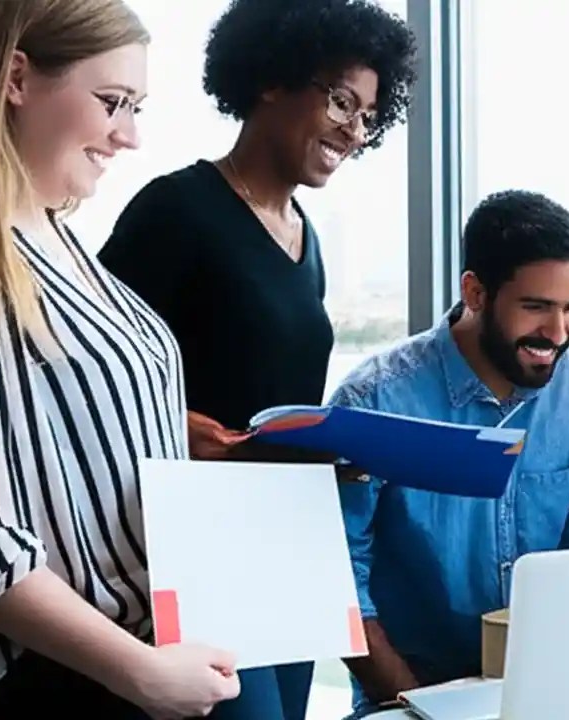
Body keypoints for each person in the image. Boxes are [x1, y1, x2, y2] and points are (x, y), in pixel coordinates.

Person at [0, 1, 242, 718]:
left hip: (125, 661)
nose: (129, 136)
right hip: (21, 685)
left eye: (135, 107)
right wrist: (140, 672)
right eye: (112, 103)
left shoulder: (56, 238)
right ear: (16, 78)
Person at [97, 2, 415, 717]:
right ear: (271, 80)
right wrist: (179, 429)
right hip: (198, 539)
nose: (352, 129)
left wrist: (331, 447)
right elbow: (85, 376)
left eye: (366, 114)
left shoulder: (306, 238)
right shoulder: (175, 210)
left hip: (288, 535)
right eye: (339, 100)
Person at [330, 189, 569, 716]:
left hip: (546, 690)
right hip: (407, 698)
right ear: (475, 291)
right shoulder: (373, 402)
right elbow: (336, 582)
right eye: (536, 307)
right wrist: (416, 702)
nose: (558, 333)